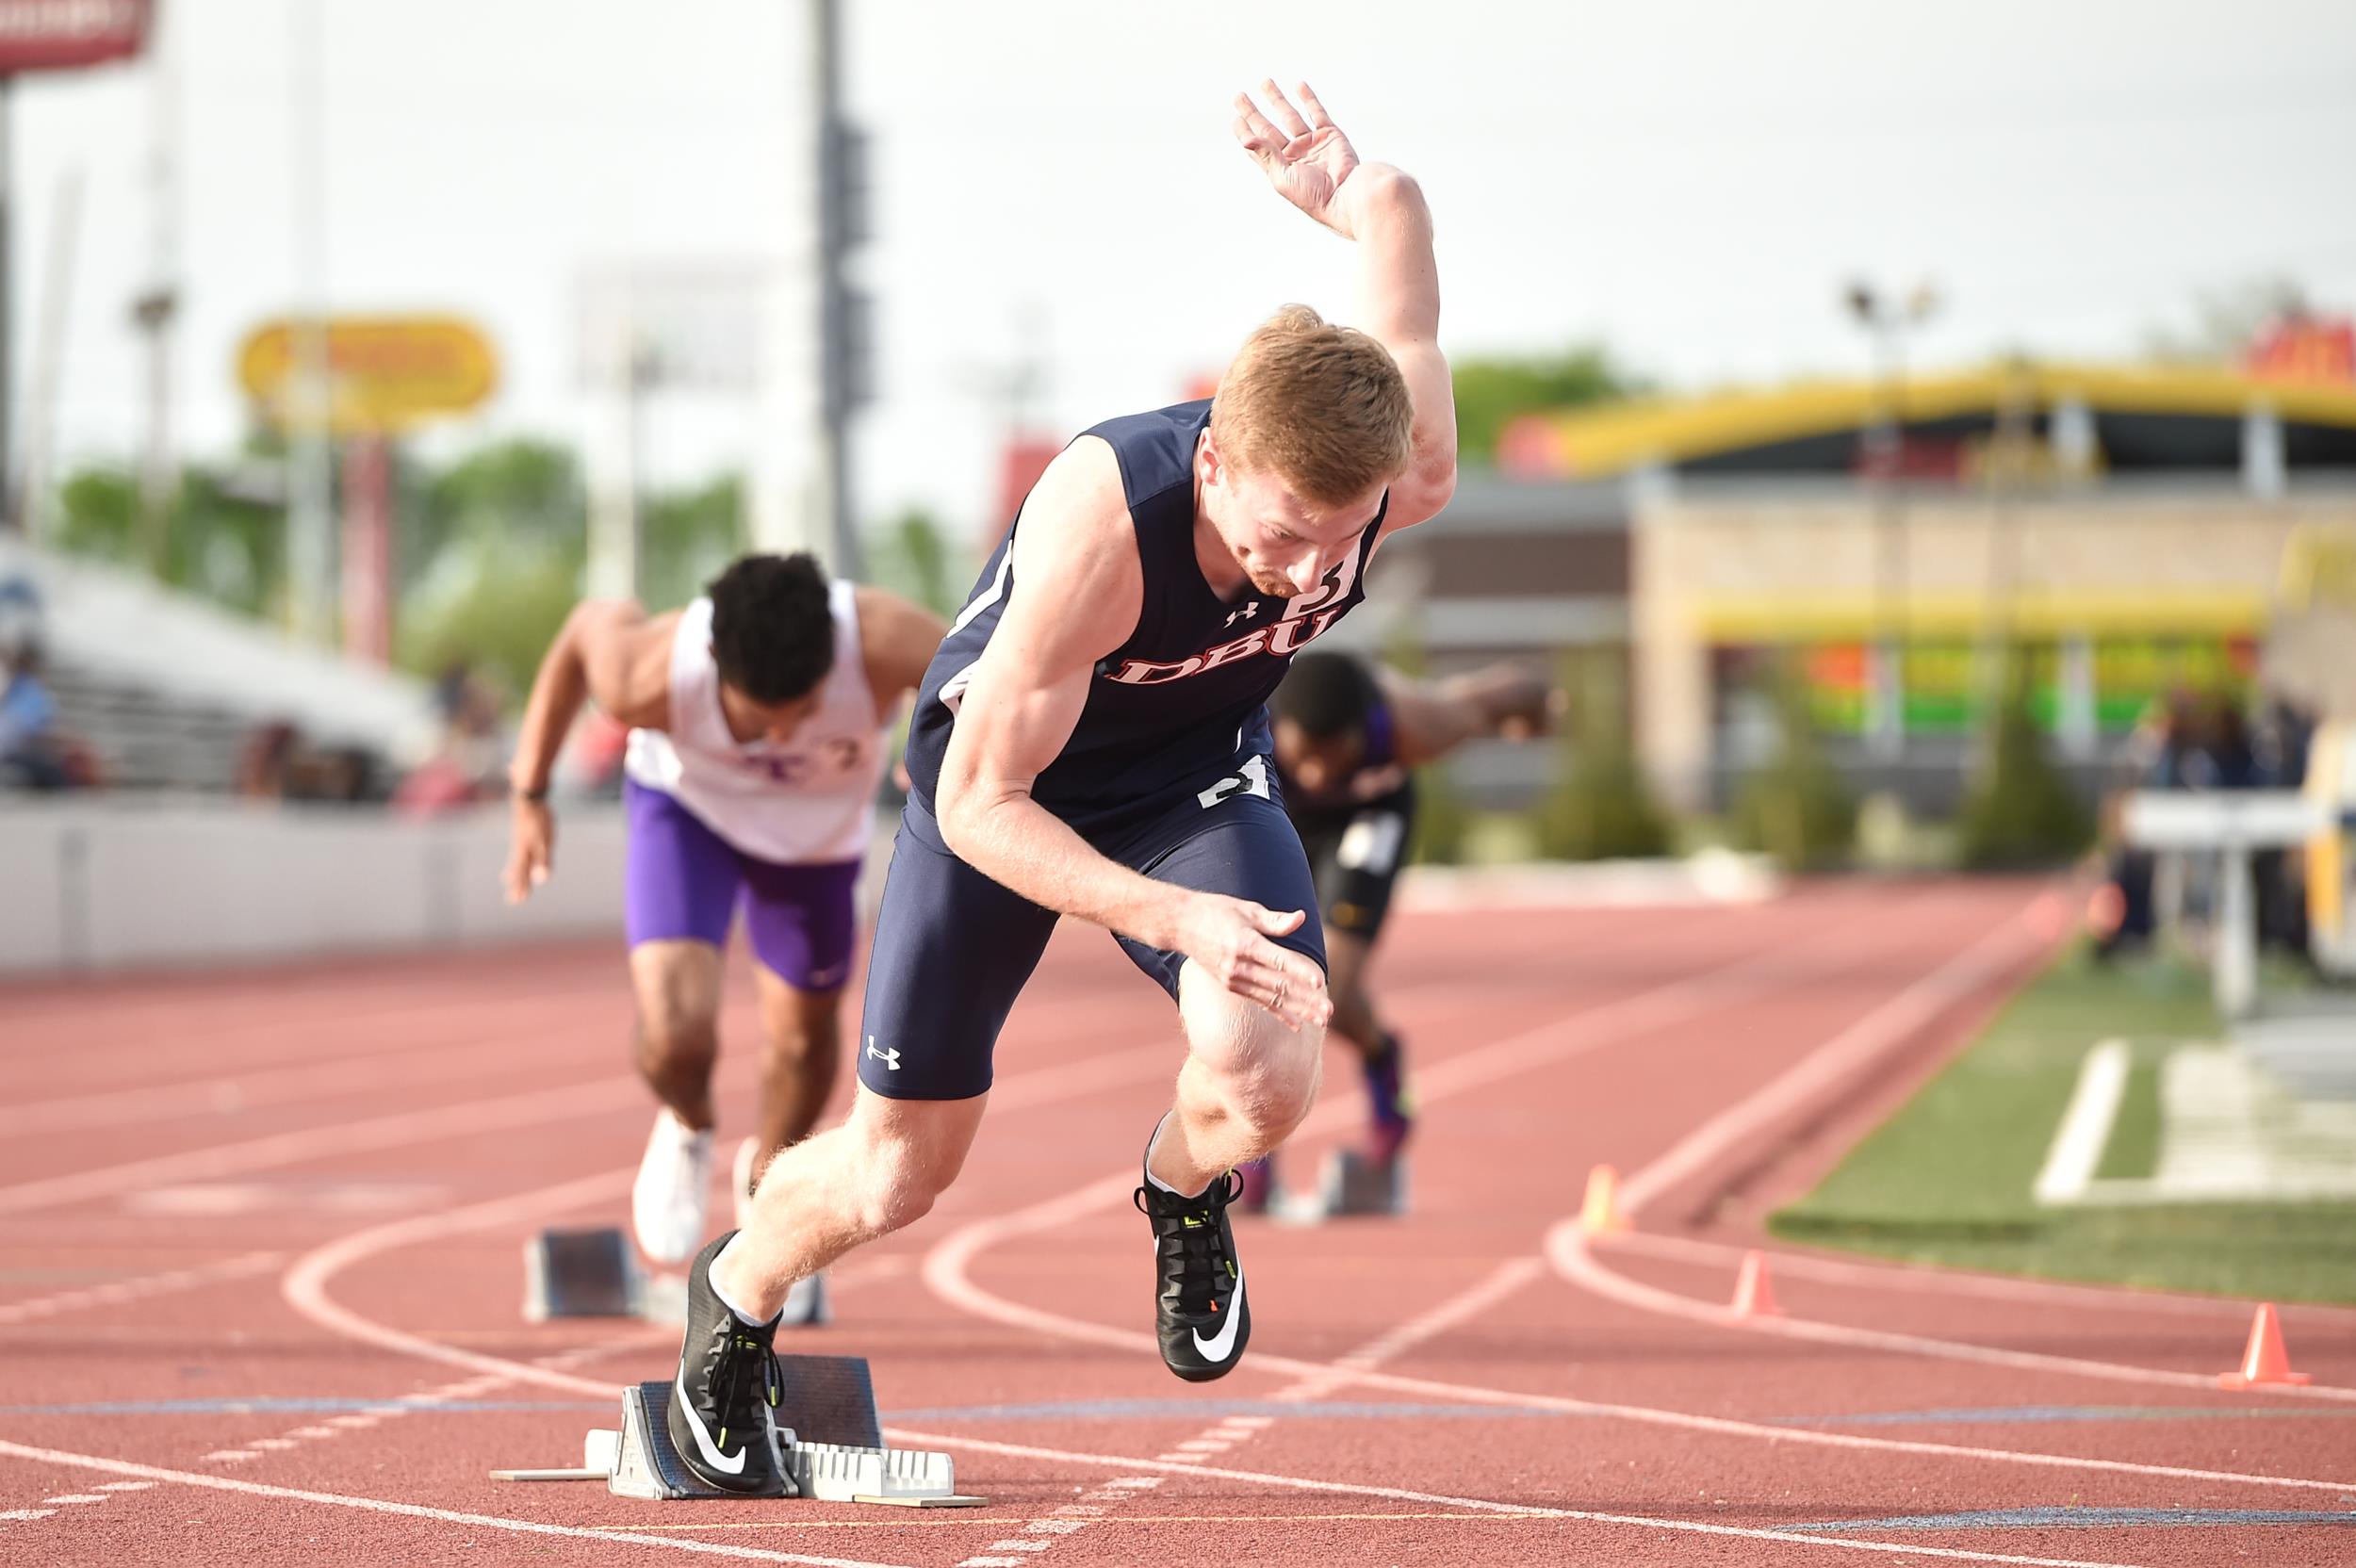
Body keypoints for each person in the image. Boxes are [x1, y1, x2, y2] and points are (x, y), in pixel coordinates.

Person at [659, 81, 1458, 1494]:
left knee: (1269, 1068)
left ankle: (1182, 1187)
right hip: (1003, 791)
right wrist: (1170, 915)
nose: (1310, 574)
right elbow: (979, 805)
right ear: (1216, 464)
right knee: (900, 1175)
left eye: (1340, 545)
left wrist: (1358, 188)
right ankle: (736, 1295)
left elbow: (1396, 231)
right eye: (1282, 538)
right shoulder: (1104, 520)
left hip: (1191, 776)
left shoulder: (1384, 474)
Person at [503, 552, 945, 1325]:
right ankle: (687, 1124)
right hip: (688, 818)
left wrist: (939, 734)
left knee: (806, 1047)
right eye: (756, 717)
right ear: (714, 666)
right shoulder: (649, 674)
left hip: (814, 842)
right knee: (677, 1036)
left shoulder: (880, 639)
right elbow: (582, 632)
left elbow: (984, 661)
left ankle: (772, 1203)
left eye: (800, 712)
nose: (777, 734)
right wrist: (531, 791)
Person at [1241, 649, 1554, 1209]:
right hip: (1278, 815)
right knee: (1260, 983)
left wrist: (1538, 712)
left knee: (1327, 986)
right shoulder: (1244, 719)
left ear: (1364, 731)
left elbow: (1499, 690)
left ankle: (1381, 1060)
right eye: (1304, 756)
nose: (1316, 773)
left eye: (1332, 757)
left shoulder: (1417, 723)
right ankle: (1257, 1149)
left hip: (1371, 816)